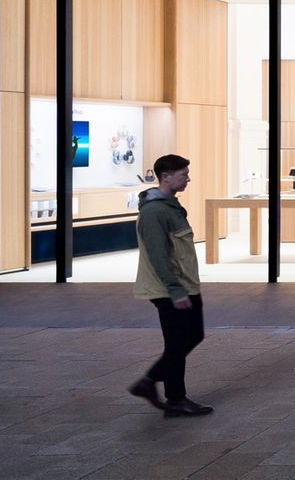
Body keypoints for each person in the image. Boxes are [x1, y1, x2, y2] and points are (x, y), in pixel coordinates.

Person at [128, 153, 213, 416]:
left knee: (185, 339)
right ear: (165, 177)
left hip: (184, 284)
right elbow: (158, 254)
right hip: (169, 288)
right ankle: (165, 392)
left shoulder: (171, 206)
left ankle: (168, 394)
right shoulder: (154, 212)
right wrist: (175, 290)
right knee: (179, 342)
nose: (188, 179)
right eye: (183, 174)